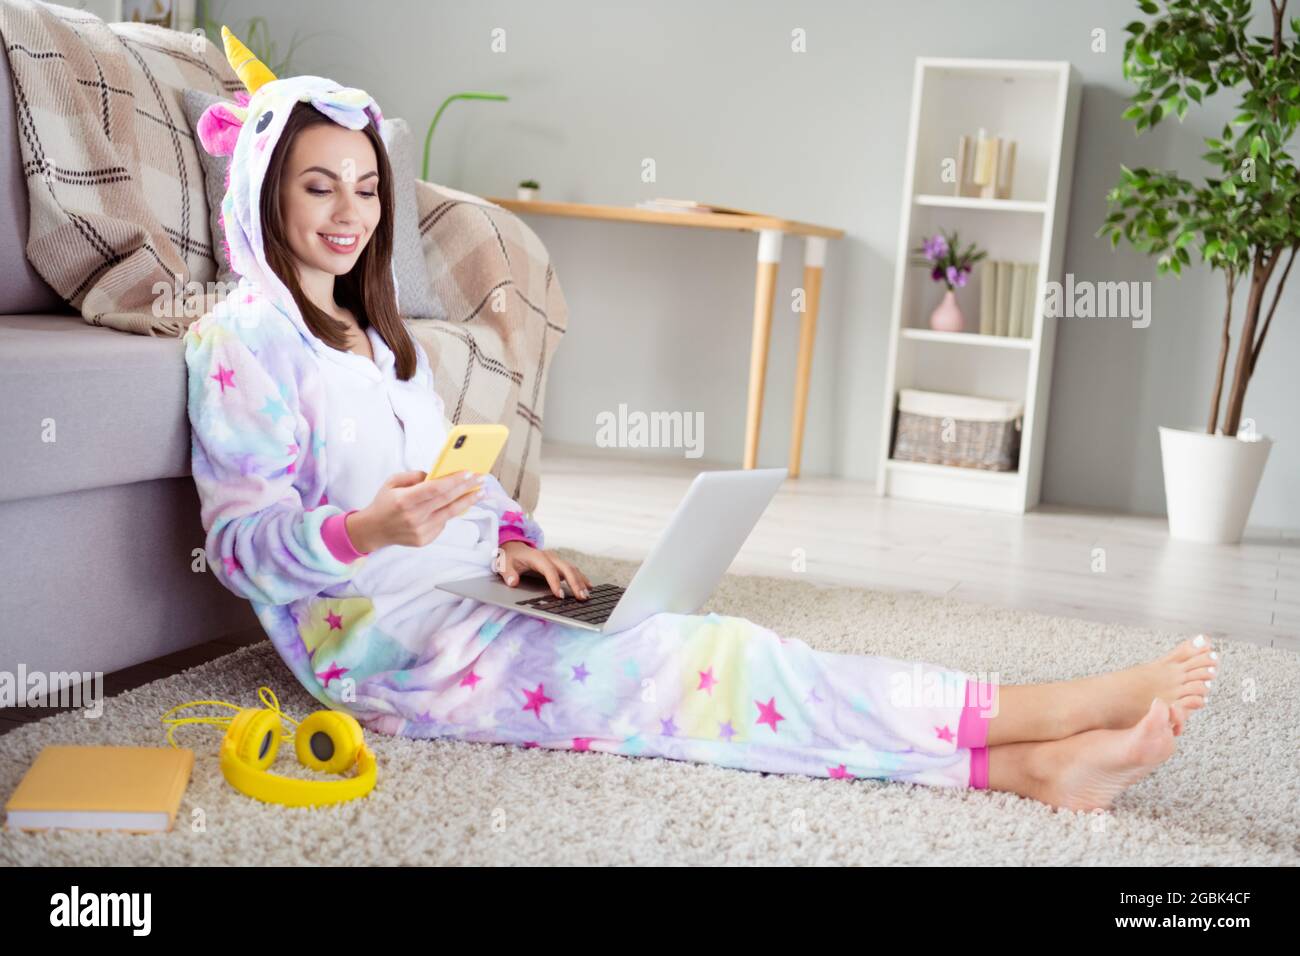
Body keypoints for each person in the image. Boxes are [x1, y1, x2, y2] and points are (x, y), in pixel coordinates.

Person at [184, 29, 1214, 813]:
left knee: (686, 649)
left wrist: (511, 545)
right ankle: (1038, 711)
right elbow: (238, 547)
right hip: (393, 650)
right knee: (709, 667)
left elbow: (458, 481)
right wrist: (367, 530)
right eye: (318, 185)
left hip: (468, 596)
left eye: (366, 187)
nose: (347, 210)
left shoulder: (378, 337)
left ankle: (1028, 769)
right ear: (264, 193)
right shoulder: (243, 345)